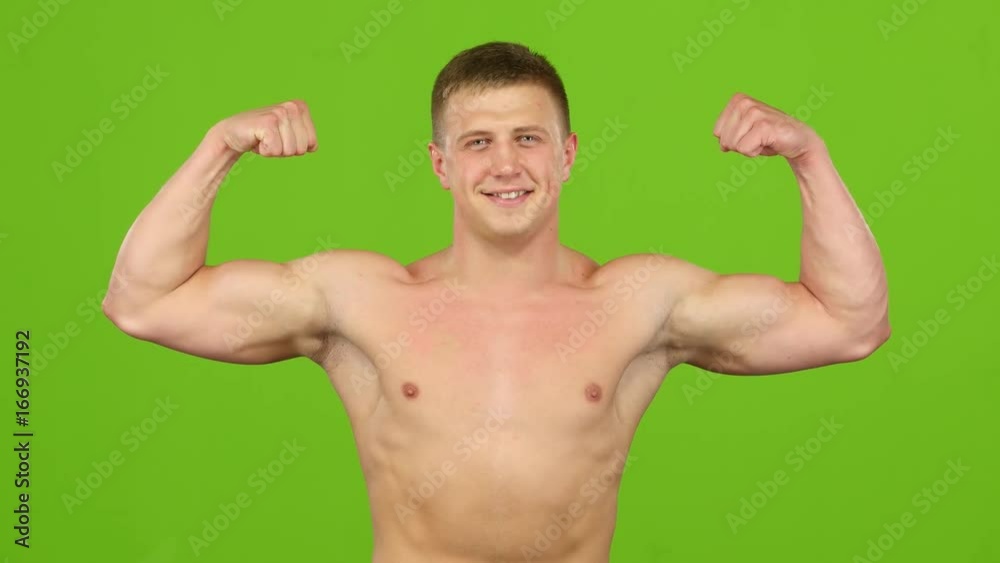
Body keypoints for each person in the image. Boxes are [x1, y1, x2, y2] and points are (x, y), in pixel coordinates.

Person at [102, 41, 890, 562]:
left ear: (569, 154)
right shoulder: (360, 300)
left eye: (529, 137)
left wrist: (809, 158)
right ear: (441, 164)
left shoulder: (637, 302)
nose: (505, 163)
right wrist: (218, 148)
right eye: (478, 142)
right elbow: (143, 301)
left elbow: (851, 322)